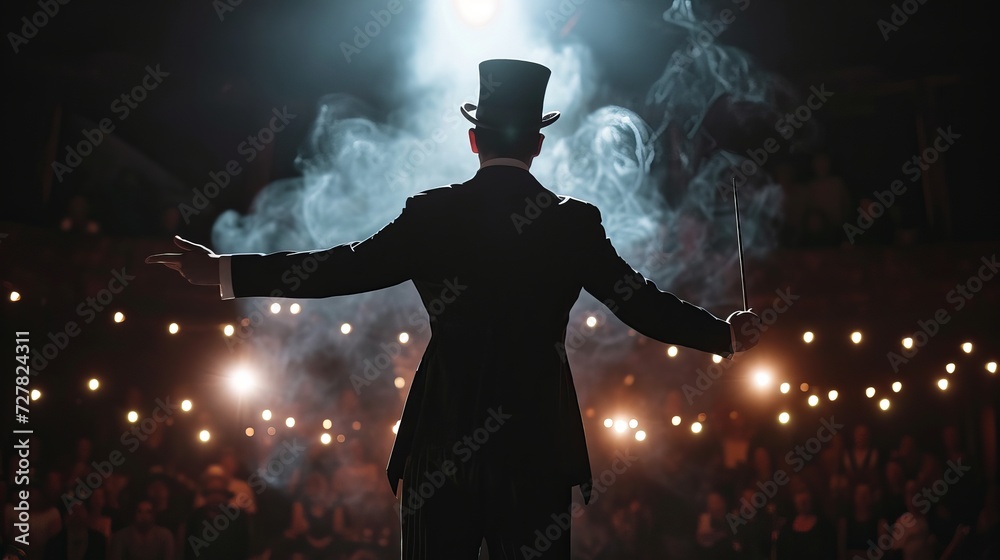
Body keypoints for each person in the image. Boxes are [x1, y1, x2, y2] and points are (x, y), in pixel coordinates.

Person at [146, 58, 762, 559]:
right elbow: (642, 305)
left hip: (442, 442)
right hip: (535, 447)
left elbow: (337, 269)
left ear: (473, 140)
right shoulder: (571, 224)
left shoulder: (433, 215)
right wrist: (725, 335)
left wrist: (224, 270)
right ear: (538, 144)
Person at [109, 501, 174, 560]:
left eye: (148, 512)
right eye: (139, 511)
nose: (144, 515)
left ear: (154, 515)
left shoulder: (165, 536)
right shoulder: (121, 536)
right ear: (134, 514)